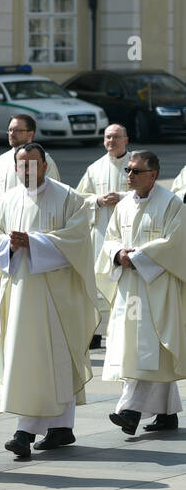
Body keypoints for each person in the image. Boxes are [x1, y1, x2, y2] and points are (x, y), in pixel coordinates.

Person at [0, 143, 98, 460]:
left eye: (34, 164)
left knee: (55, 359)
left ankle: (25, 431)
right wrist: (9, 244)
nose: (27, 170)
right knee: (28, 359)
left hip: (58, 297)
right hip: (19, 294)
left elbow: (77, 241)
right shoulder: (4, 202)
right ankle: (59, 428)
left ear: (45, 166)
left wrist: (33, 242)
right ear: (15, 168)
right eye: (22, 165)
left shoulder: (69, 198)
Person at [95, 150, 186, 434]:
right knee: (138, 349)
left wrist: (138, 258)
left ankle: (130, 412)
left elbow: (175, 243)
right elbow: (109, 238)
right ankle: (167, 413)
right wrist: (117, 254)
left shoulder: (172, 204)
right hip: (128, 289)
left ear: (153, 175)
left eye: (136, 171)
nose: (130, 176)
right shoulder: (123, 206)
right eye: (128, 171)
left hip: (157, 287)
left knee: (147, 348)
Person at [0, 114, 61, 315]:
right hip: (6, 234)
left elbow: (52, 197)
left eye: (17, 130)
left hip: (32, 237)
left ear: (30, 134)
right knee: (0, 303)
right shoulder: (2, 160)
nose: (12, 134)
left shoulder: (44, 160)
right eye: (10, 130)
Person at [75, 124, 129, 349]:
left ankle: (124, 331)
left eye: (116, 137)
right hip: (101, 234)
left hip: (127, 233)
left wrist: (124, 196)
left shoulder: (137, 164)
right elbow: (79, 200)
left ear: (126, 140)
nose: (111, 141)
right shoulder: (95, 168)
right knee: (98, 283)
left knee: (124, 286)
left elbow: (150, 193)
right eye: (108, 137)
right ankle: (96, 333)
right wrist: (97, 201)